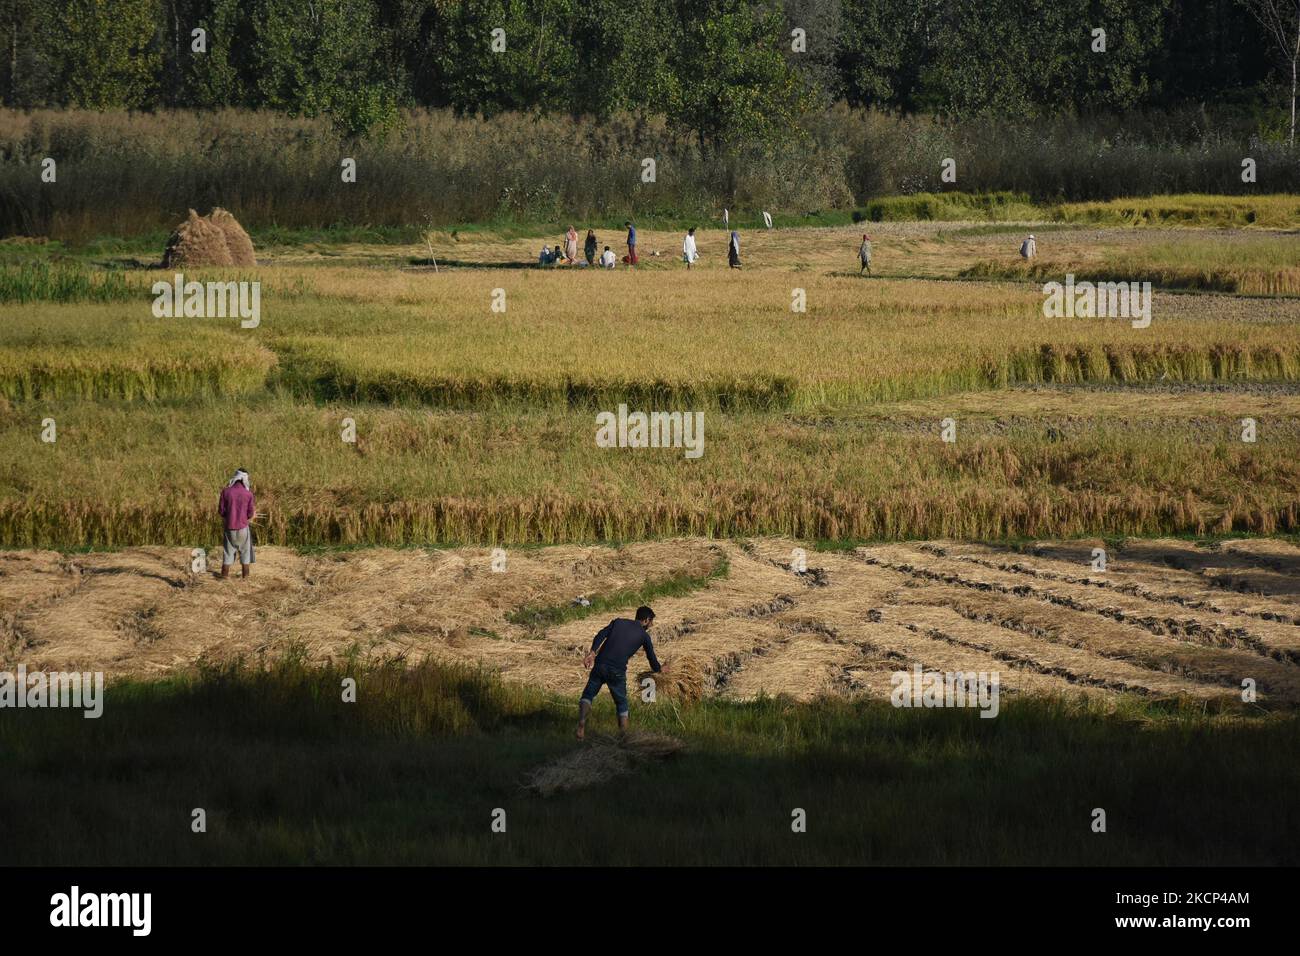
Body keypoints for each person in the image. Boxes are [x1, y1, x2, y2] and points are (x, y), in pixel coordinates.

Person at [576, 606, 662, 739]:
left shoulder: (618, 622)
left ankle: (582, 722)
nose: (652, 625)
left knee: (588, 695)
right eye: (651, 622)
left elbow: (601, 634)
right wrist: (661, 670)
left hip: (600, 664)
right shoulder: (644, 636)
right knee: (621, 703)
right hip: (617, 670)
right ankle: (623, 737)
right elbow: (652, 659)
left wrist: (592, 652)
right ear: (646, 620)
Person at [218, 468, 256, 579]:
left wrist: (229, 517)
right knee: (245, 552)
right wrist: (244, 518)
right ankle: (246, 578)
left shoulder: (226, 492)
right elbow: (250, 513)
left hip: (229, 528)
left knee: (227, 553)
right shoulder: (248, 494)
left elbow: (221, 511)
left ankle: (224, 577)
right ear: (245, 479)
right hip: (243, 528)